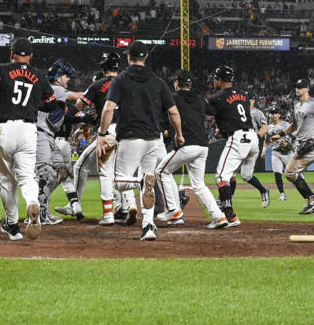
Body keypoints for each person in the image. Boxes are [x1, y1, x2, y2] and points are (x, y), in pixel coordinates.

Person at [0, 37, 59, 241]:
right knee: (27, 176)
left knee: (6, 180)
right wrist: (33, 103)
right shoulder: (38, 75)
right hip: (28, 129)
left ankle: (12, 226)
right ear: (31, 56)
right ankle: (32, 202)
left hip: (3, 128)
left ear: (11, 54)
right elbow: (52, 104)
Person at [97, 41, 183, 241]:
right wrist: (179, 133)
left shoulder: (121, 79)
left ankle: (141, 182)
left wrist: (102, 134)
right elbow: (173, 112)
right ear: (146, 57)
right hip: (154, 139)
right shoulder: (157, 81)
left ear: (129, 57)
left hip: (131, 137)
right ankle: (148, 225)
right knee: (148, 182)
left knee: (119, 182)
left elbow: (108, 108)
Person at [57, 51, 135, 225]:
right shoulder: (127, 83)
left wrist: (93, 98)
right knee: (121, 172)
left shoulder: (98, 84)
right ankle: (126, 206)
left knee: (83, 167)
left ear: (103, 66)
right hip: (128, 132)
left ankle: (79, 206)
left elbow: (79, 104)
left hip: (109, 131)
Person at [156, 70, 229, 229]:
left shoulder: (173, 97)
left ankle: (173, 211)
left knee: (161, 172)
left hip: (187, 144)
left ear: (177, 82)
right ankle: (219, 216)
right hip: (203, 146)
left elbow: (162, 112)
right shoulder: (199, 99)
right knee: (199, 184)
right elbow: (214, 112)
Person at [205, 65, 257, 227]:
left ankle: (230, 216)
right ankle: (224, 203)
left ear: (219, 80)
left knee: (221, 177)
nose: (214, 82)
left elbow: (210, 111)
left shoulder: (216, 97)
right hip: (253, 138)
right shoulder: (243, 94)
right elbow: (234, 113)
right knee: (230, 175)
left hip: (238, 138)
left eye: (215, 79)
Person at [35, 58, 84, 224]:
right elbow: (79, 97)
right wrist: (100, 91)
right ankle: (40, 214)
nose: (68, 79)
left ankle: (43, 210)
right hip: (40, 135)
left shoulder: (52, 90)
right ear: (57, 78)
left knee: (62, 171)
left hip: (49, 137)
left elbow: (66, 118)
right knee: (45, 175)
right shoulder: (56, 89)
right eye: (66, 76)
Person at [282, 79, 314, 214]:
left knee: (290, 172)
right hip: (300, 145)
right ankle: (313, 207)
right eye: (296, 87)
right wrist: (281, 134)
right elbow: (294, 125)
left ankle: (312, 198)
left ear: (307, 89)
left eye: (300, 87)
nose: (297, 89)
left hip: (311, 146)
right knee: (298, 175)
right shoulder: (297, 105)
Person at [230, 92, 271, 207]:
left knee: (246, 176)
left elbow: (265, 127)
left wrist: (255, 138)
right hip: (239, 145)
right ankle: (228, 199)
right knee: (230, 174)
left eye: (248, 98)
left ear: (253, 100)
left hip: (251, 146)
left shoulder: (257, 113)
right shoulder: (238, 112)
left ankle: (263, 190)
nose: (246, 100)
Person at [261, 107, 294, 201]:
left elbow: (295, 135)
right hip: (275, 152)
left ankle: (304, 189)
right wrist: (264, 151)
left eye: (275, 113)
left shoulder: (286, 124)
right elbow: (266, 140)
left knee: (294, 172)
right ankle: (282, 194)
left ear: (279, 115)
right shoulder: (269, 127)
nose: (273, 115)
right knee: (277, 173)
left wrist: (293, 145)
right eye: (272, 113)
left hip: (287, 152)